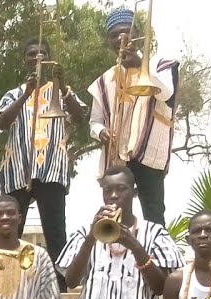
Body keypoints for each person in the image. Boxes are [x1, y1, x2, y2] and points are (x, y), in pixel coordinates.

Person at [58, 165, 183, 299]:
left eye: (121, 189)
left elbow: (160, 287)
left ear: (134, 192)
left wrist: (135, 246)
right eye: (108, 190)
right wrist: (91, 238)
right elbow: (71, 281)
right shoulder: (84, 232)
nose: (114, 195)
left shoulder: (155, 233)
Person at [0, 37, 87, 272]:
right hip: (17, 170)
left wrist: (63, 85)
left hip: (51, 170)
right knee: (11, 230)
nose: (37, 57)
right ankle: (10, 277)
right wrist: (27, 93)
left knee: (55, 232)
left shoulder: (61, 91)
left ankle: (60, 284)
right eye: (32, 53)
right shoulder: (14, 93)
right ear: (25, 60)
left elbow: (80, 118)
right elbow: (2, 123)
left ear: (49, 57)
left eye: (42, 53)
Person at [88, 7, 179, 226]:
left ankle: (156, 256)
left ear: (136, 33)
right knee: (115, 208)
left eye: (125, 32)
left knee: (154, 209)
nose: (120, 39)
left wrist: (140, 64)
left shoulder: (161, 64)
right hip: (117, 155)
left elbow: (167, 94)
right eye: (113, 35)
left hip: (148, 151)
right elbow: (94, 121)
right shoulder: (104, 79)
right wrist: (101, 132)